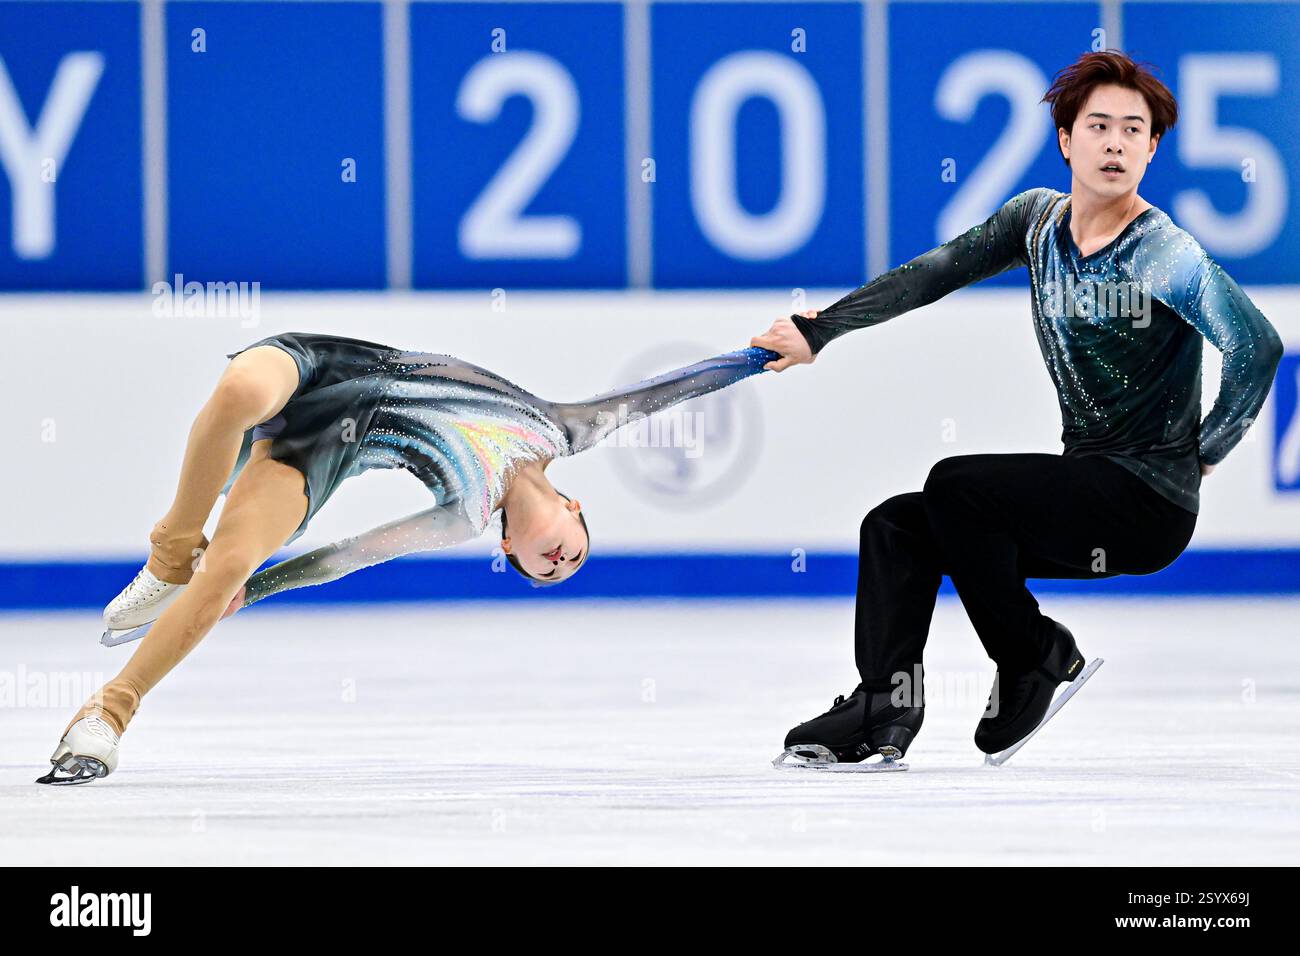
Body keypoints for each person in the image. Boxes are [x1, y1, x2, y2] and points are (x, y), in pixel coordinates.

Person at [753, 50, 1284, 768]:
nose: (1116, 143)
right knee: (897, 527)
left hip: (1145, 502)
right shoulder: (1035, 222)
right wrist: (824, 330)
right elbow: (936, 272)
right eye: (1099, 126)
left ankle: (1035, 654)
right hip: (1085, 489)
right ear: (1066, 139)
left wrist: (1205, 452)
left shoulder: (1164, 254)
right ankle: (886, 702)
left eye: (1135, 130)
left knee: (958, 486)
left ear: (1153, 149)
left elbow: (1256, 346)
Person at [39, 332, 777, 784]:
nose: (556, 561)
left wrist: (255, 589)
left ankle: (105, 716)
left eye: (542, 570)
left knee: (229, 567)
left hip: (321, 452)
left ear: (507, 546)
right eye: (572, 557)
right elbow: (668, 392)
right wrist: (759, 357)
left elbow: (346, 557)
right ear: (575, 511)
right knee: (237, 388)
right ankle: (170, 557)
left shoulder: (461, 516)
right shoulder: (566, 431)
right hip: (320, 364)